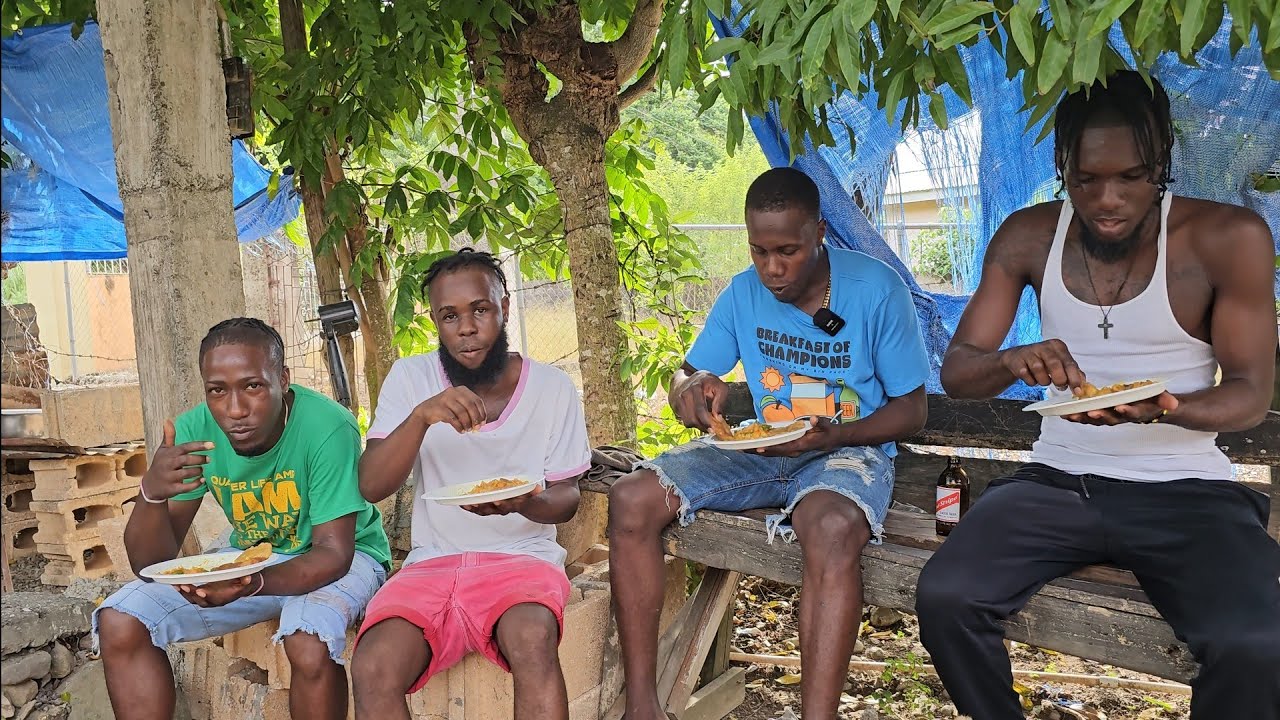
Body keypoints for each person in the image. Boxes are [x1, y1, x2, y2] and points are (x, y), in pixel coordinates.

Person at [916, 70, 1280, 719]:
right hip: (1059, 481)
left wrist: (1168, 408)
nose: (1107, 199)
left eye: (1131, 177)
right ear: (1062, 165)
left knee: (1256, 644)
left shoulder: (1226, 237)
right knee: (947, 597)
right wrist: (1010, 360)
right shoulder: (1028, 235)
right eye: (1086, 180)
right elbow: (959, 372)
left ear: (1161, 162)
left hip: (1186, 491)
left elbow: (1250, 394)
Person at [608, 167, 931, 720]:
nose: (772, 268)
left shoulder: (876, 290)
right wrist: (690, 389)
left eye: (787, 251)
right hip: (762, 451)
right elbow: (687, 374)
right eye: (759, 251)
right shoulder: (742, 293)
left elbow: (912, 409)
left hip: (846, 452)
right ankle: (643, 706)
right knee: (631, 498)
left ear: (819, 232)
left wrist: (837, 434)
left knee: (829, 527)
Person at [95, 318, 391, 720]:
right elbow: (151, 566)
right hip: (251, 559)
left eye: (253, 386)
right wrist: (152, 493)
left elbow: (333, 554)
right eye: (217, 391)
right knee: (120, 621)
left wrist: (250, 584)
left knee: (309, 641)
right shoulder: (194, 432)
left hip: (347, 554)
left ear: (283, 380)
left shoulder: (326, 426)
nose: (235, 410)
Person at [349, 249, 591, 720]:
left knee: (532, 638)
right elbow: (371, 485)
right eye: (449, 316)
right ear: (435, 322)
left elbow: (567, 498)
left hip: (523, 561)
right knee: (372, 664)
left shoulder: (551, 387)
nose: (466, 328)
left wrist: (522, 503)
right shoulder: (412, 378)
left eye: (480, 310)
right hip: (432, 563)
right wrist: (421, 417)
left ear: (505, 307)